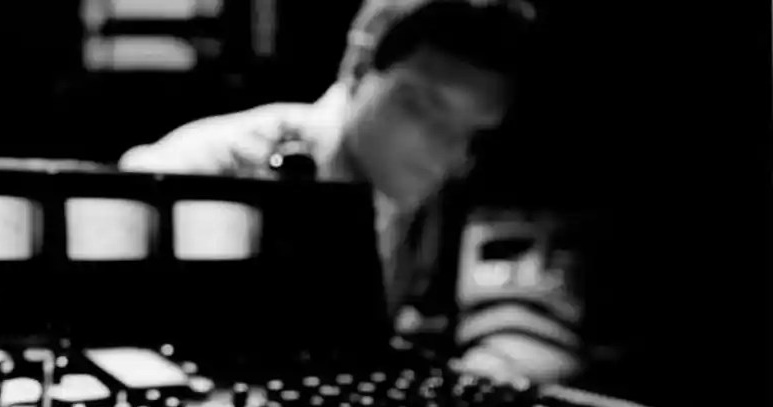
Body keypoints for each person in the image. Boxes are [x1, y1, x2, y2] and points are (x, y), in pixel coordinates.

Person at [120, 0, 592, 386]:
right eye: (423, 108)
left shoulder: (434, 202)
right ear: (360, 66)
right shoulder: (202, 167)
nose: (444, 153)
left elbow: (525, 332)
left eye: (469, 134)